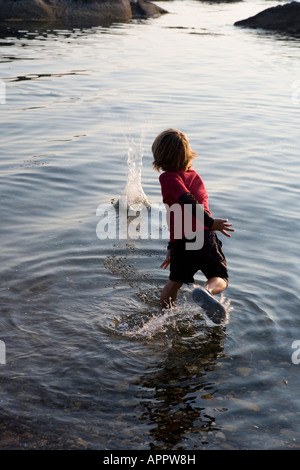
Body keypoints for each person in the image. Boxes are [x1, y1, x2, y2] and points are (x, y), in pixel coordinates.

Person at [152, 128, 234, 309]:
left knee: (174, 282)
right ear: (187, 154)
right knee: (220, 278)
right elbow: (189, 203)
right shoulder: (195, 176)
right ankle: (207, 291)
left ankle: (165, 316)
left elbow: (185, 203)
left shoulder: (167, 178)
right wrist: (210, 224)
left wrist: (173, 245)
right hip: (204, 237)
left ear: (160, 155)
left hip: (184, 240)